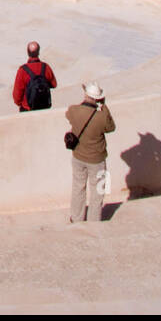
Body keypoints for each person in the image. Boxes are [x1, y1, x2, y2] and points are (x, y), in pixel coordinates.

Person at [65, 82, 116, 223]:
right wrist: (104, 106)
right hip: (97, 160)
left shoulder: (73, 110)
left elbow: (68, 115)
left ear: (85, 95)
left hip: (78, 157)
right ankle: (94, 221)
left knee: (78, 188)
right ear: (99, 98)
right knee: (98, 191)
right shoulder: (101, 117)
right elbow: (111, 127)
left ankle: (76, 218)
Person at [13, 41, 57, 111]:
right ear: (39, 52)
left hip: (28, 108)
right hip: (44, 106)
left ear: (27, 53)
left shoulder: (22, 70)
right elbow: (54, 84)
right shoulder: (45, 67)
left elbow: (17, 95)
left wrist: (21, 103)